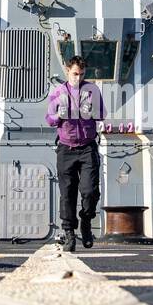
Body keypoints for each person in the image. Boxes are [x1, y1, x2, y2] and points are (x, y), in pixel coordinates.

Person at [46, 55, 104, 251]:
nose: (78, 78)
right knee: (67, 194)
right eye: (74, 74)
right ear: (67, 71)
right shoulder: (58, 92)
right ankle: (69, 233)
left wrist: (92, 110)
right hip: (66, 149)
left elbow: (102, 114)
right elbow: (49, 119)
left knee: (89, 191)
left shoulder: (92, 90)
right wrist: (59, 116)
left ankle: (86, 220)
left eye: (81, 74)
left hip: (87, 148)